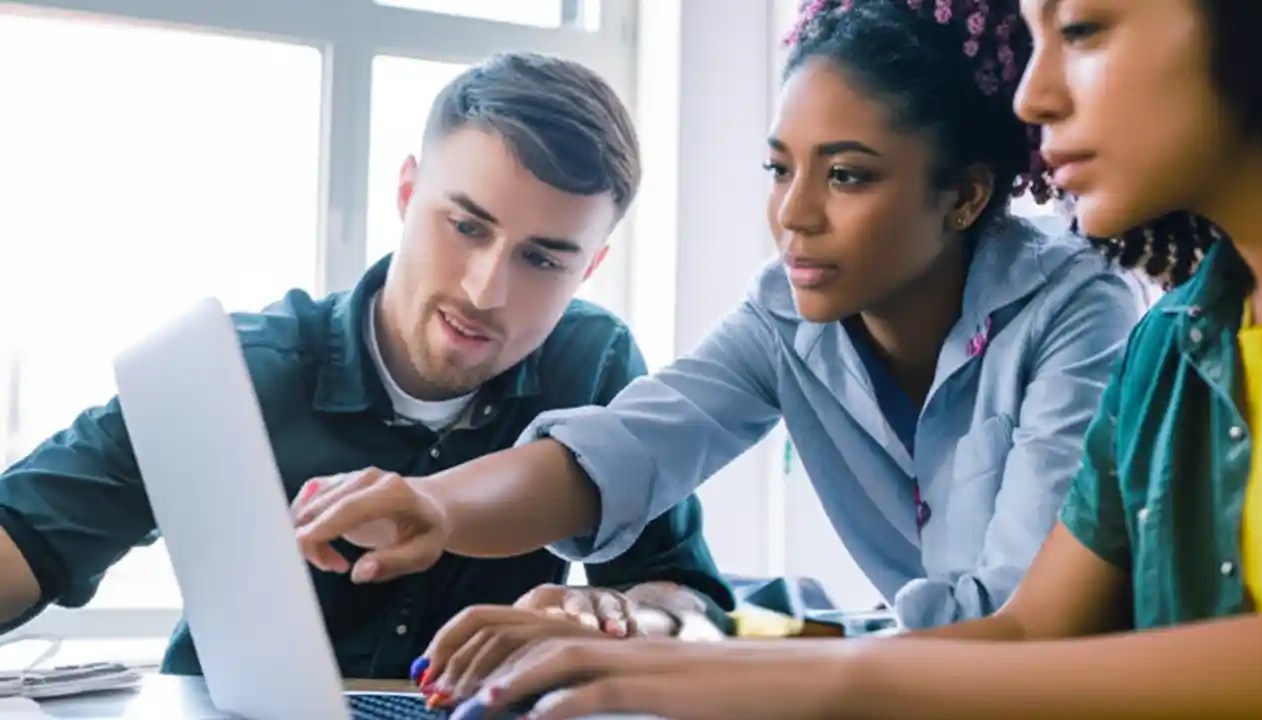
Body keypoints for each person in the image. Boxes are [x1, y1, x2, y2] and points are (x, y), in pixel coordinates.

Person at [409, 1, 1262, 718]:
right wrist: (427, 506)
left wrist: (724, 660)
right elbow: (628, 446)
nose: (1033, 98)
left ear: (968, 195)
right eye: (777, 168)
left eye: (1085, 30)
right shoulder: (1173, 344)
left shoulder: (1090, 315)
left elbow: (1021, 629)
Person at [0, 52, 732, 680]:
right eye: (466, 226)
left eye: (542, 258)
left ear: (592, 266)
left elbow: (687, 604)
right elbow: (22, 539)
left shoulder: (594, 363)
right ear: (409, 192)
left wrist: (624, 619)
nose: (486, 291)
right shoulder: (235, 371)